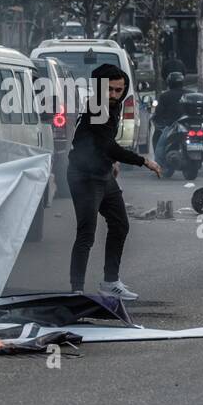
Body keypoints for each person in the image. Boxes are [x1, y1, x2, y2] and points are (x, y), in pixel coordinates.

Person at [67, 63, 162, 300]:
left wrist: (111, 162)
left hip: (103, 174)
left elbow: (99, 142)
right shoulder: (98, 106)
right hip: (84, 176)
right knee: (86, 233)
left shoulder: (113, 106)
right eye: (109, 89)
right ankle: (76, 290)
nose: (114, 95)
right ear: (99, 87)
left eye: (119, 90)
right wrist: (143, 161)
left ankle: (111, 282)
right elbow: (105, 144)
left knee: (120, 224)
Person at [151, 71, 187, 157]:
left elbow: (159, 113)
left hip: (171, 125)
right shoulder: (190, 93)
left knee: (159, 142)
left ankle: (159, 162)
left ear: (169, 83)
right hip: (187, 125)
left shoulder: (164, 96)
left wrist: (155, 118)